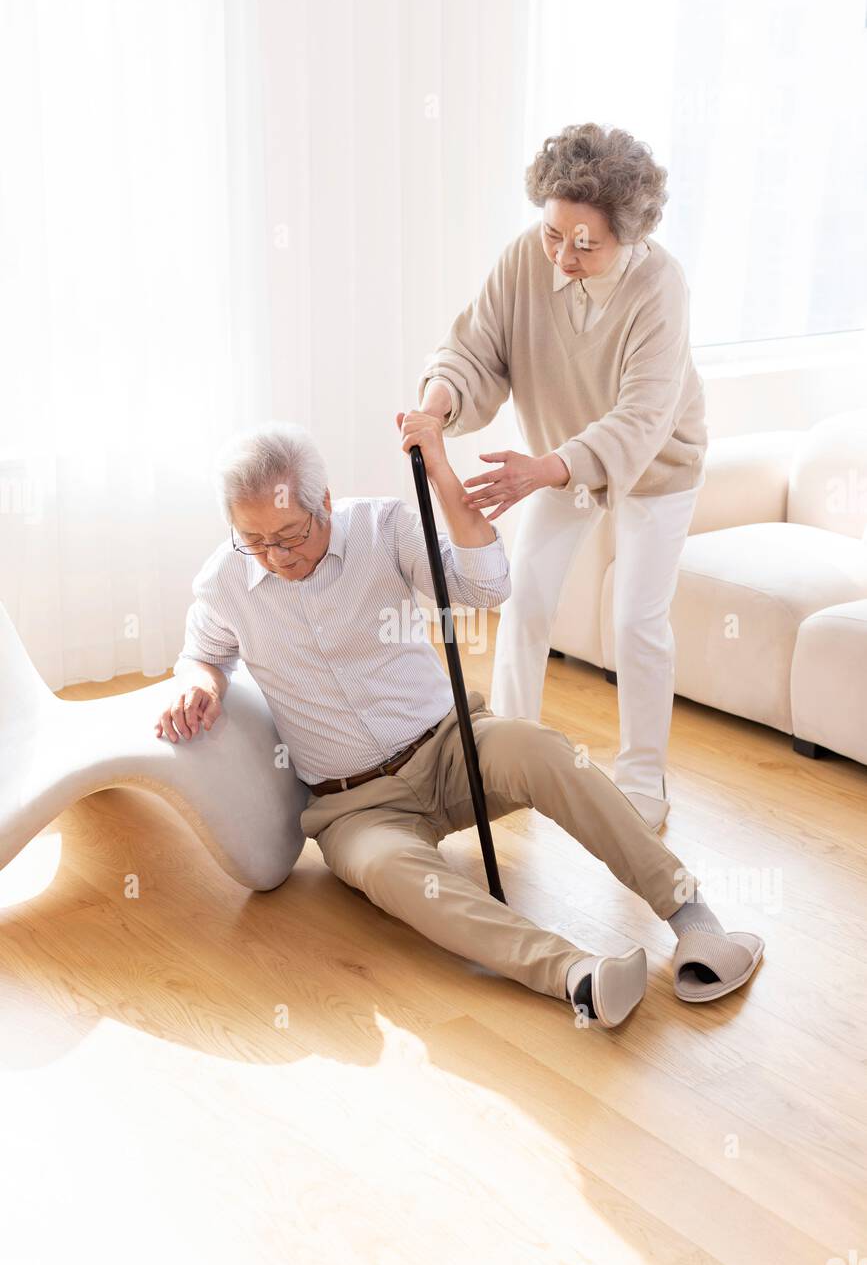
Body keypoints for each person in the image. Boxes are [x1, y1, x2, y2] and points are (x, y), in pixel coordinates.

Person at [156, 422, 763, 1031]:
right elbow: (202, 653)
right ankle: (575, 975)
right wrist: (200, 684)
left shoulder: (384, 527)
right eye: (254, 541)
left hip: (453, 747)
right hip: (355, 807)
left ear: (326, 504)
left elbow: (485, 586)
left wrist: (444, 474)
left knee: (545, 752)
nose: (277, 556)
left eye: (291, 535)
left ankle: (694, 920)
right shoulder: (224, 583)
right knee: (389, 872)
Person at [409, 122, 707, 832]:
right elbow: (474, 347)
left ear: (628, 236)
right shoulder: (524, 260)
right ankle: (510, 757)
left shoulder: (658, 284)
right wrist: (435, 404)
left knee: (635, 619)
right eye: (553, 235)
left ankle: (642, 778)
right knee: (526, 598)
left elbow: (641, 416)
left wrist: (541, 469)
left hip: (656, 465)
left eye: (586, 244)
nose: (564, 255)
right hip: (557, 460)